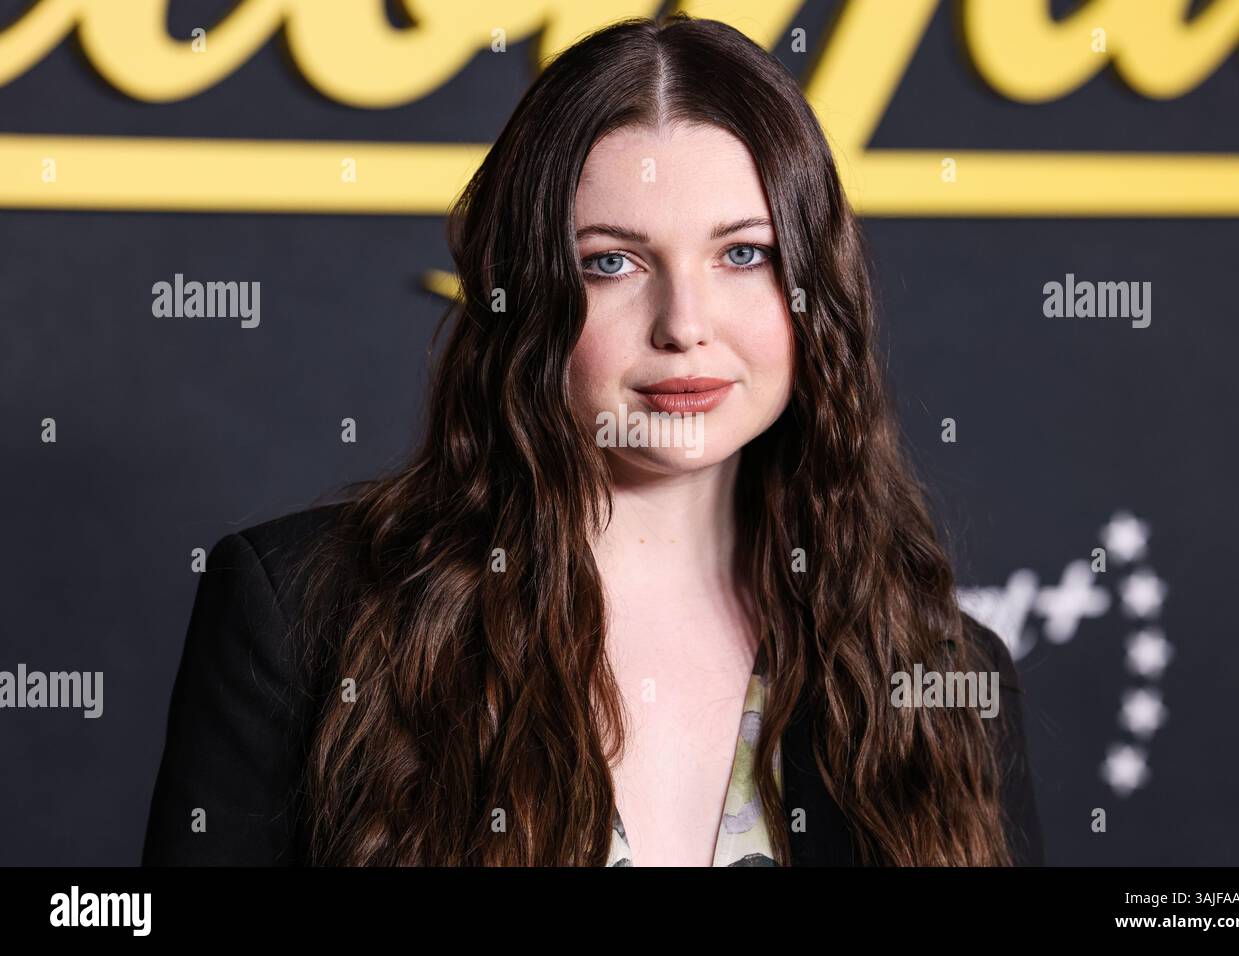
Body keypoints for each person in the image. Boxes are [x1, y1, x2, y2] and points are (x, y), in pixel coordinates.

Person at [142, 12, 1044, 867]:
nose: (684, 324)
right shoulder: (303, 614)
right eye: (612, 262)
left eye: (744, 254)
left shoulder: (944, 674)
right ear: (525, 295)